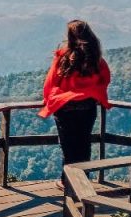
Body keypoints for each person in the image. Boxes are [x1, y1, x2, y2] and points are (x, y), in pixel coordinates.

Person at [40, 20, 111, 165]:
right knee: (84, 145)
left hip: (65, 107)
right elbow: (105, 79)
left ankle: (68, 183)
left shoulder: (64, 58)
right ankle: (82, 181)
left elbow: (51, 81)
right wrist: (95, 93)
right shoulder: (96, 60)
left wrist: (47, 99)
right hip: (87, 107)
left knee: (68, 147)